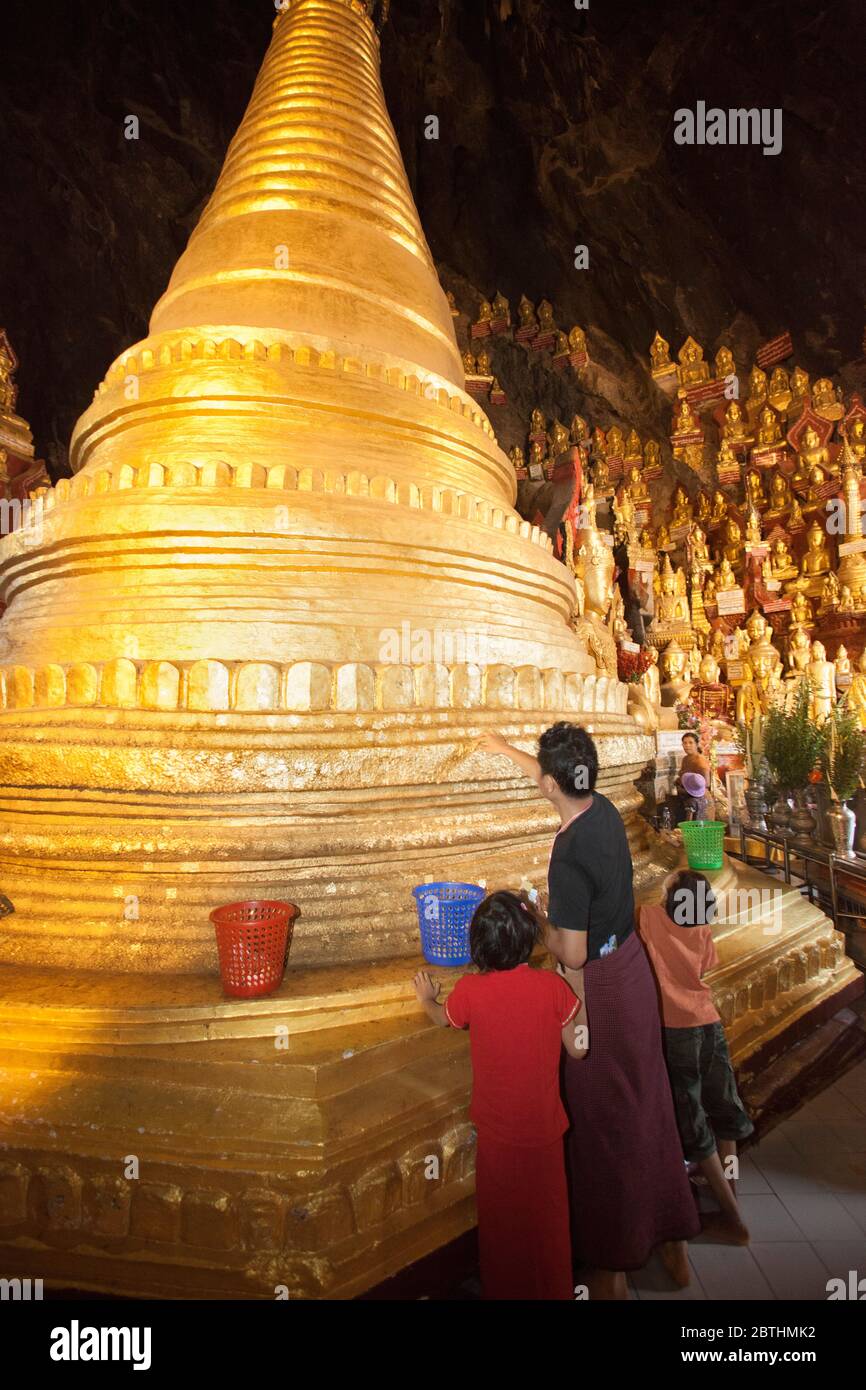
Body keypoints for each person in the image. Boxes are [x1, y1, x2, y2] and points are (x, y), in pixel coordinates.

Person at [479, 724, 700, 1299]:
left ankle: (611, 1267)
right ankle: (672, 1244)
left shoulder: (569, 855)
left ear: (554, 784)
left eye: (542, 777)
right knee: (647, 1105)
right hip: (631, 972)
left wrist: (537, 919)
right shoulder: (599, 808)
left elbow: (571, 952)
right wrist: (504, 751)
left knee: (604, 1127)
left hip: (596, 989)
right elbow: (551, 777)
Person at [413, 890, 585, 1300]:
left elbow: (444, 1018)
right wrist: (573, 983)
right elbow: (580, 1047)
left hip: (497, 1137)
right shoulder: (551, 987)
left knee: (503, 1225)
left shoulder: (471, 992)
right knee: (548, 1224)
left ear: (478, 946)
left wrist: (427, 1000)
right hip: (545, 1134)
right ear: (529, 939)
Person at [637, 870, 754, 1244]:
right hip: (708, 1023)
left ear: (669, 898)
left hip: (676, 1032)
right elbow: (705, 966)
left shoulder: (650, 918)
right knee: (725, 1112)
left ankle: (732, 1219)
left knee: (694, 1123)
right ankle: (731, 1190)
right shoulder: (701, 928)